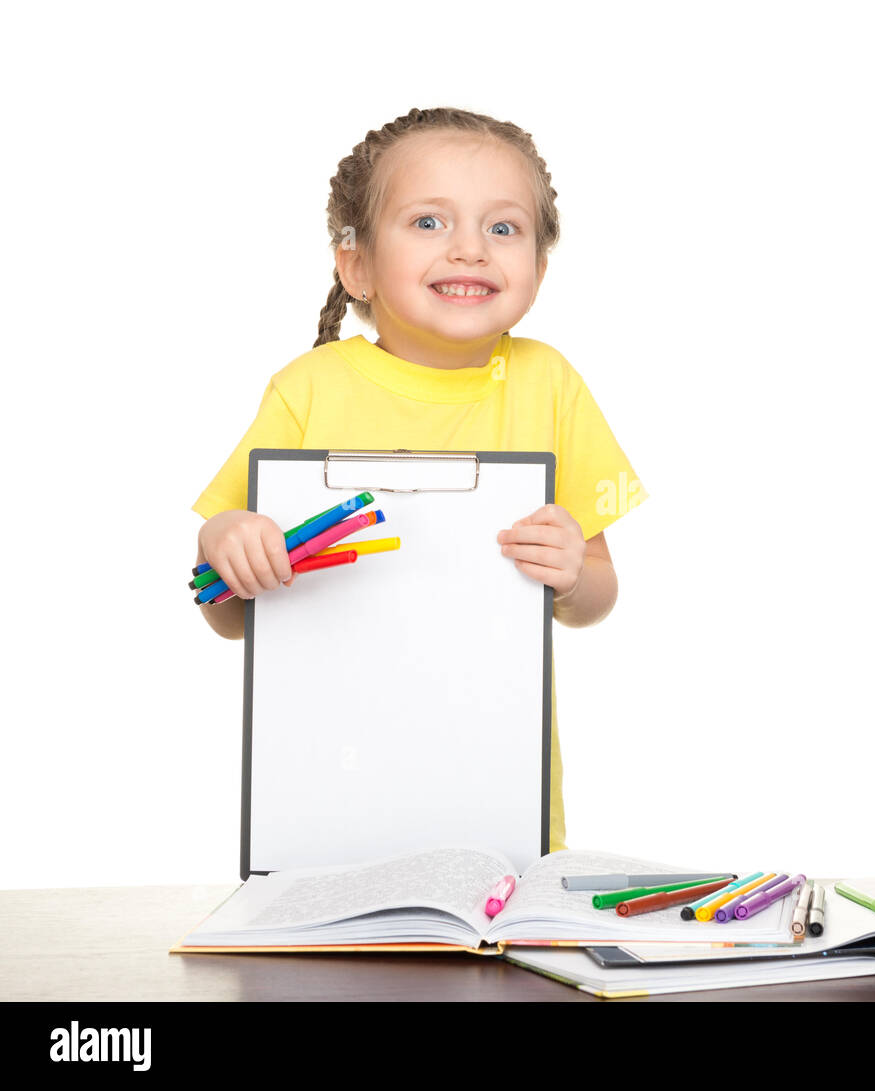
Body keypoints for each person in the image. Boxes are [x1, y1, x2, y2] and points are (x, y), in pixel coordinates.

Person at [191, 106, 649, 852]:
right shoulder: (307, 389)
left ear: (540, 260)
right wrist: (226, 542)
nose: (470, 249)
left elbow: (596, 590)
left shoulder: (550, 384)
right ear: (357, 265)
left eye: (503, 228)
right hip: (320, 799)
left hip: (497, 804)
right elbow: (226, 607)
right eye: (430, 222)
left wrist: (572, 574)